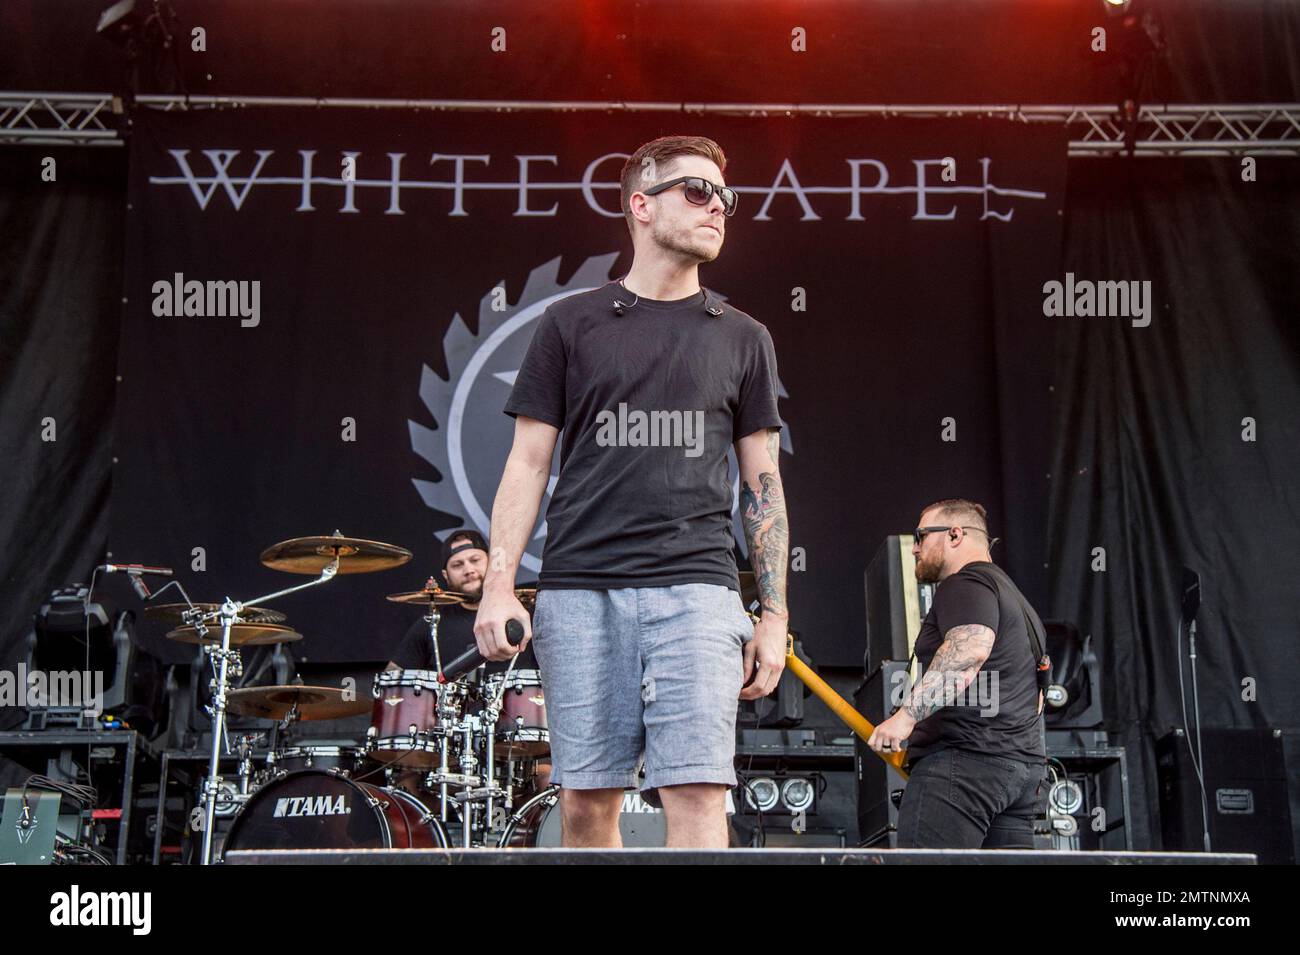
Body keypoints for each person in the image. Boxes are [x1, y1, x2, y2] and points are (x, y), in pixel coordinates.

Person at [473, 135, 790, 849]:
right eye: (698, 190)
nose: (720, 208)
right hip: (581, 588)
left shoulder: (744, 336)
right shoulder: (569, 323)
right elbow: (526, 463)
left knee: (700, 795)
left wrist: (773, 613)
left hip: (700, 591)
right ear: (640, 205)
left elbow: (762, 483)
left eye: (727, 197)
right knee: (585, 803)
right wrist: (499, 585)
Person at [868, 499, 1048, 848]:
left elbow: (969, 650)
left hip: (962, 769)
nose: (915, 548)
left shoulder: (965, 583)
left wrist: (905, 717)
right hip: (1021, 776)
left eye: (920, 536)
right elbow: (1038, 698)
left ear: (954, 535)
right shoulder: (1020, 604)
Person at [387, 529, 537, 675]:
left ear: (492, 564)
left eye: (475, 560)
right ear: (446, 575)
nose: (468, 570)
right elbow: (391, 677)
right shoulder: (432, 623)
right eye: (457, 565)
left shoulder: (522, 615)